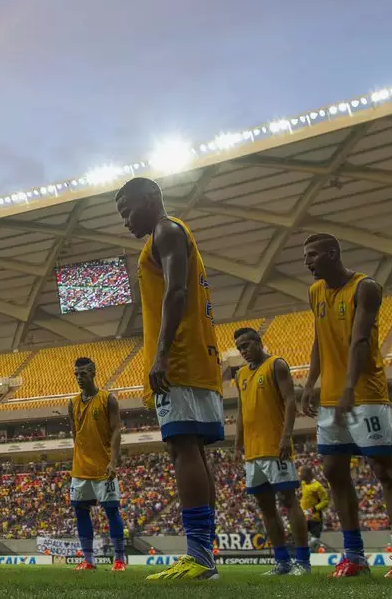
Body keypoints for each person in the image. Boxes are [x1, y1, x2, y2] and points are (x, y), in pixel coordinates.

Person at [115, 177, 222, 581]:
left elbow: (176, 292)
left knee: (182, 448)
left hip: (179, 357)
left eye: (128, 209)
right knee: (192, 448)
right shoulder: (164, 236)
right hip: (195, 356)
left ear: (151, 199)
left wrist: (161, 355)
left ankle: (198, 556)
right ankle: (204, 556)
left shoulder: (166, 229)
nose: (125, 219)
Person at [301, 233, 392, 578]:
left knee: (385, 472)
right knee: (334, 471)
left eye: (313, 255)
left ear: (333, 254)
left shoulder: (366, 287)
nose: (307, 261)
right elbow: (320, 338)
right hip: (331, 396)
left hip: (365, 393)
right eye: (305, 256)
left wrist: (349, 386)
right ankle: (354, 556)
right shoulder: (315, 292)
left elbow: (360, 339)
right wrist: (310, 383)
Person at [232, 327, 310, 575]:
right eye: (239, 348)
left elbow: (290, 401)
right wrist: (237, 444)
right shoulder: (241, 375)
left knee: (289, 500)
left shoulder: (276, 364)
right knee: (266, 507)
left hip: (276, 447)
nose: (243, 351)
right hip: (252, 453)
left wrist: (287, 436)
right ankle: (282, 562)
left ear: (258, 342)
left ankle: (303, 562)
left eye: (246, 345)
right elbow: (242, 411)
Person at [67, 357, 127, 572]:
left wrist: (113, 462)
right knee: (80, 512)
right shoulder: (72, 403)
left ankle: (119, 559)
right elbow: (75, 434)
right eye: (76, 374)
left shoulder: (107, 399)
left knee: (111, 511)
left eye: (83, 373)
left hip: (104, 468)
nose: (79, 378)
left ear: (93, 372)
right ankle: (88, 561)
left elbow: (117, 430)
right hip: (80, 470)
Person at [299, 466, 329, 551]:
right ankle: (303, 555)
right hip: (303, 516)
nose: (299, 475)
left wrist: (313, 509)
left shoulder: (318, 486)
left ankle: (308, 552)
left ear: (307, 474)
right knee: (299, 537)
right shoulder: (303, 483)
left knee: (315, 540)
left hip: (315, 517)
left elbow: (325, 501)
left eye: (301, 473)